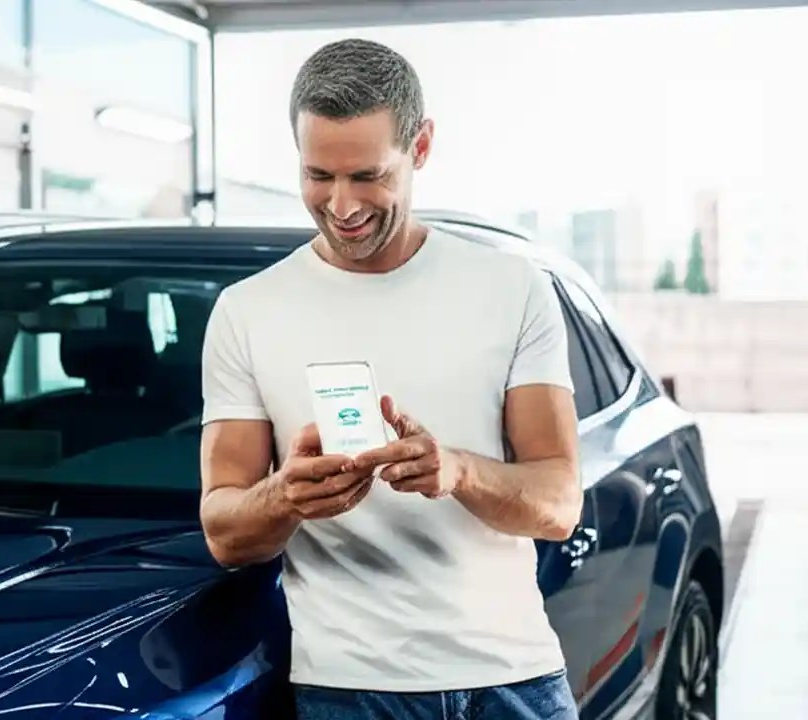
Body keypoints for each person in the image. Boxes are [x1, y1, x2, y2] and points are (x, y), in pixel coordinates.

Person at [198, 37, 583, 719]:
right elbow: (225, 531)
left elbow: (558, 504)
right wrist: (286, 496)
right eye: (319, 175)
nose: (342, 205)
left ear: (422, 147)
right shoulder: (248, 311)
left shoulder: (511, 288)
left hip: (515, 680)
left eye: (367, 176)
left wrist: (458, 471)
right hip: (351, 689)